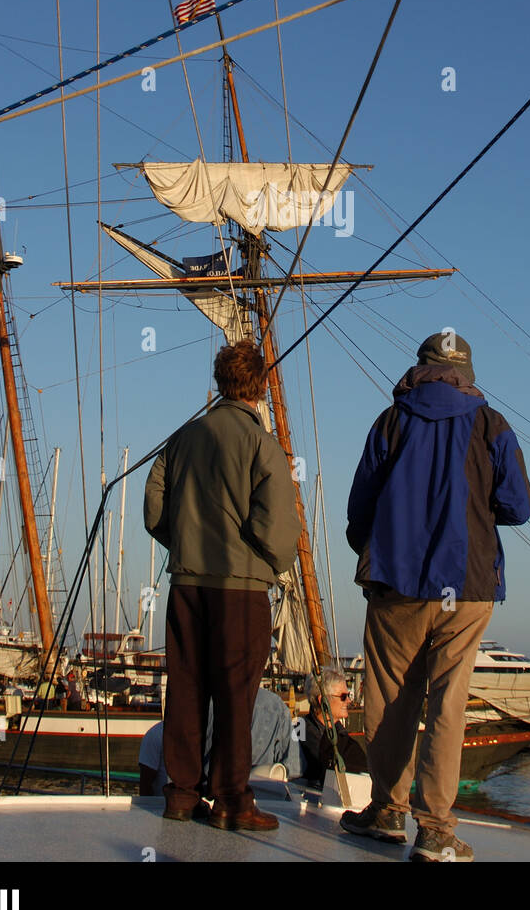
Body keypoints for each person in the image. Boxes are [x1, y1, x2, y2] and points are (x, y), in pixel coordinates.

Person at [339, 331, 530, 863]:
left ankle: (386, 810)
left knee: (388, 698)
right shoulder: (493, 425)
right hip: (466, 586)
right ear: (467, 374)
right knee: (448, 702)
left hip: (396, 584)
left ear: (420, 368)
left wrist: (375, 547)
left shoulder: (390, 421)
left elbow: (360, 504)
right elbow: (518, 506)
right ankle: (436, 830)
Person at [144, 340, 299, 832]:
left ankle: (181, 795)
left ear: (220, 382)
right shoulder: (263, 445)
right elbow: (277, 527)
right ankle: (232, 800)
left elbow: (154, 508)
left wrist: (183, 543)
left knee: (186, 687)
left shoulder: (183, 439)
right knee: (237, 693)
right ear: (260, 386)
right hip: (241, 588)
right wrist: (268, 562)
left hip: (187, 584)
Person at [138, 687, 302, 796]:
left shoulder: (201, 700)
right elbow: (293, 767)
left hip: (208, 801)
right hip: (258, 801)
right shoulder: (277, 706)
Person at [299, 668, 367, 787]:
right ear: (323, 701)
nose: (349, 701)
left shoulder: (343, 737)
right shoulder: (302, 734)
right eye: (343, 697)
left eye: (348, 695)